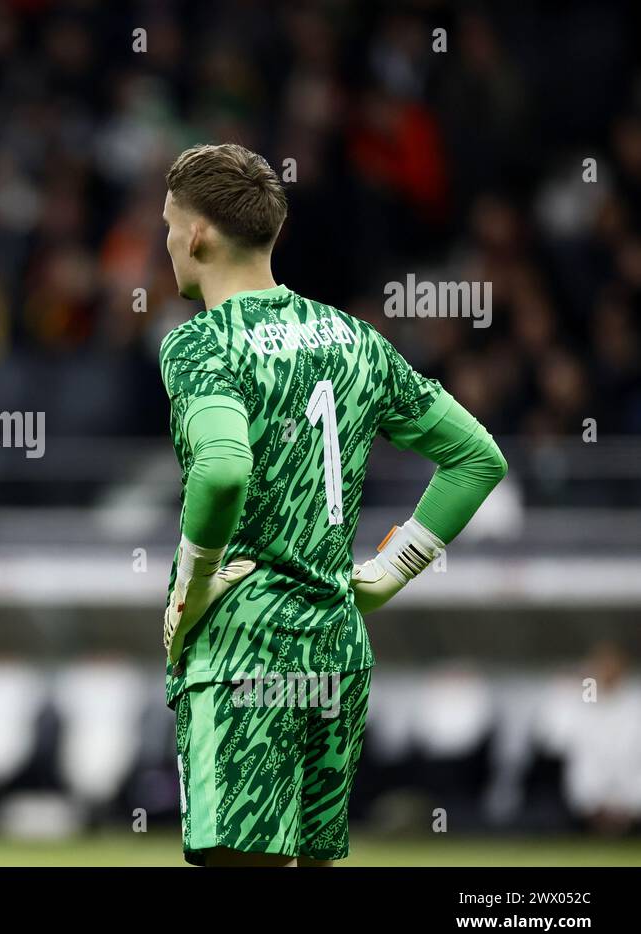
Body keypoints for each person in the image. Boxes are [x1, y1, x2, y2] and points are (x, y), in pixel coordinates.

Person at [158, 144, 507, 866]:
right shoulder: (355, 339)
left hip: (244, 649)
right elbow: (477, 458)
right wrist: (388, 571)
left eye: (168, 225)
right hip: (336, 652)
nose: (166, 242)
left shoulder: (201, 346)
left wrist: (191, 589)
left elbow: (222, 471)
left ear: (197, 234)